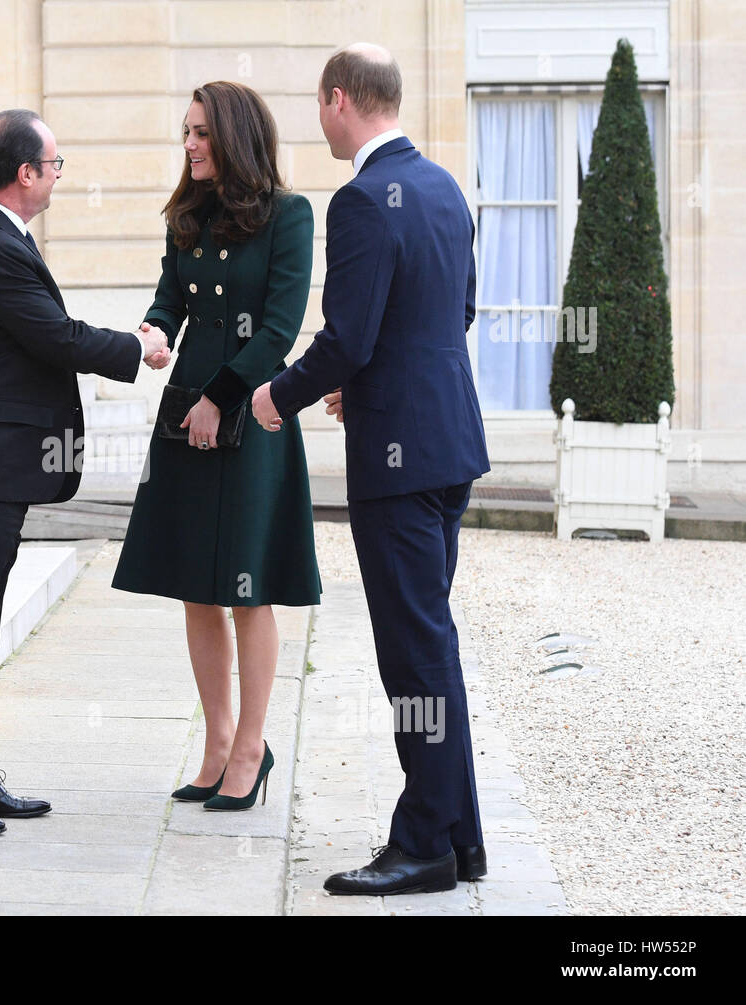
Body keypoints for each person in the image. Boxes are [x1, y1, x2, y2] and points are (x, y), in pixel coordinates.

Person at [252, 43, 492, 893]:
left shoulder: (359, 200)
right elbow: (451, 312)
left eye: (320, 106)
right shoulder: (446, 190)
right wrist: (372, 381)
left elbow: (349, 336)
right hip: (447, 443)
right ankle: (458, 837)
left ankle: (425, 841)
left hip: (399, 460)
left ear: (342, 99)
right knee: (432, 639)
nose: (319, 121)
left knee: (413, 650)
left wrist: (278, 395)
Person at [0, 109, 171, 836]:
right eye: (54, 164)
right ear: (25, 174)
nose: (57, 174)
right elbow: (53, 337)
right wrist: (135, 346)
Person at [112, 82, 321, 812]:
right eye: (186, 134)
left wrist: (218, 398)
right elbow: (170, 294)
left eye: (201, 133)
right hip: (185, 410)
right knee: (197, 587)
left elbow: (280, 329)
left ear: (233, 135)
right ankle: (217, 742)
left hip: (250, 412)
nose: (191, 145)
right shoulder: (188, 214)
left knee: (245, 586)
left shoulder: (291, 216)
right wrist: (154, 331)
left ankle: (253, 747)